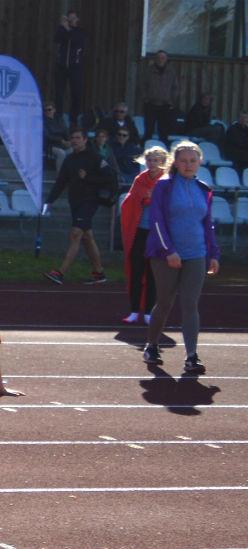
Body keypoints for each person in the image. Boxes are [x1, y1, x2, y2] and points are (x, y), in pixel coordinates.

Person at [141, 141, 220, 374]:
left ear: (199, 162)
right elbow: (156, 221)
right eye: (183, 161)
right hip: (164, 256)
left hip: (196, 254)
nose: (188, 165)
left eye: (192, 161)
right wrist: (169, 251)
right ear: (175, 162)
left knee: (190, 304)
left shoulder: (204, 188)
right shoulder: (164, 186)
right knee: (165, 302)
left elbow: (208, 224)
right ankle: (152, 345)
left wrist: (213, 254)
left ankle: (191, 356)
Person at [41, 127, 115, 285]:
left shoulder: (95, 157)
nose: (75, 141)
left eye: (78, 138)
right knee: (87, 237)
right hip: (75, 202)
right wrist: (49, 201)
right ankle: (98, 273)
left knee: (75, 234)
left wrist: (88, 177)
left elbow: (110, 177)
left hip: (90, 201)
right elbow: (61, 182)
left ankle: (60, 272)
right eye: (73, 138)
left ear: (85, 140)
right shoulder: (69, 160)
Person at [119, 146, 168, 325]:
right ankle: (134, 311)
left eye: (156, 160)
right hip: (139, 231)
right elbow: (131, 201)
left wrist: (152, 197)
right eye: (150, 160)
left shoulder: (167, 181)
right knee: (136, 272)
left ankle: (149, 312)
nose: (152, 163)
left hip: (157, 234)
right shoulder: (140, 179)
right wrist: (146, 197)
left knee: (153, 274)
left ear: (163, 162)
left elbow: (168, 205)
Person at [53, 10, 86, 120]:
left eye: (72, 18)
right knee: (59, 93)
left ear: (77, 19)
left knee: (76, 93)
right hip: (61, 66)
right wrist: (62, 27)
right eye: (69, 18)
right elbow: (56, 39)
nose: (70, 20)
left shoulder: (81, 31)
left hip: (75, 67)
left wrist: (68, 29)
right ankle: (58, 117)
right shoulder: (63, 30)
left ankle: (74, 119)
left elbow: (77, 41)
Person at [138, 50, 178, 141]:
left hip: (165, 105)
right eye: (158, 58)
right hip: (150, 104)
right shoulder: (149, 70)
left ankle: (163, 147)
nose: (160, 60)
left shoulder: (171, 72)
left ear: (166, 59)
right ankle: (147, 146)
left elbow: (175, 87)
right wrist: (145, 99)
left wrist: (171, 101)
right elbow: (142, 85)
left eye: (163, 58)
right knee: (149, 130)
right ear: (155, 59)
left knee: (164, 131)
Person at [43, 102, 70, 170]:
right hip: (50, 145)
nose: (47, 112)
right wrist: (61, 140)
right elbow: (48, 136)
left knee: (72, 150)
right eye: (45, 110)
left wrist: (68, 141)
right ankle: (60, 175)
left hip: (62, 144)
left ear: (54, 110)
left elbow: (66, 131)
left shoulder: (59, 119)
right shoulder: (43, 121)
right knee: (61, 153)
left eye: (49, 110)